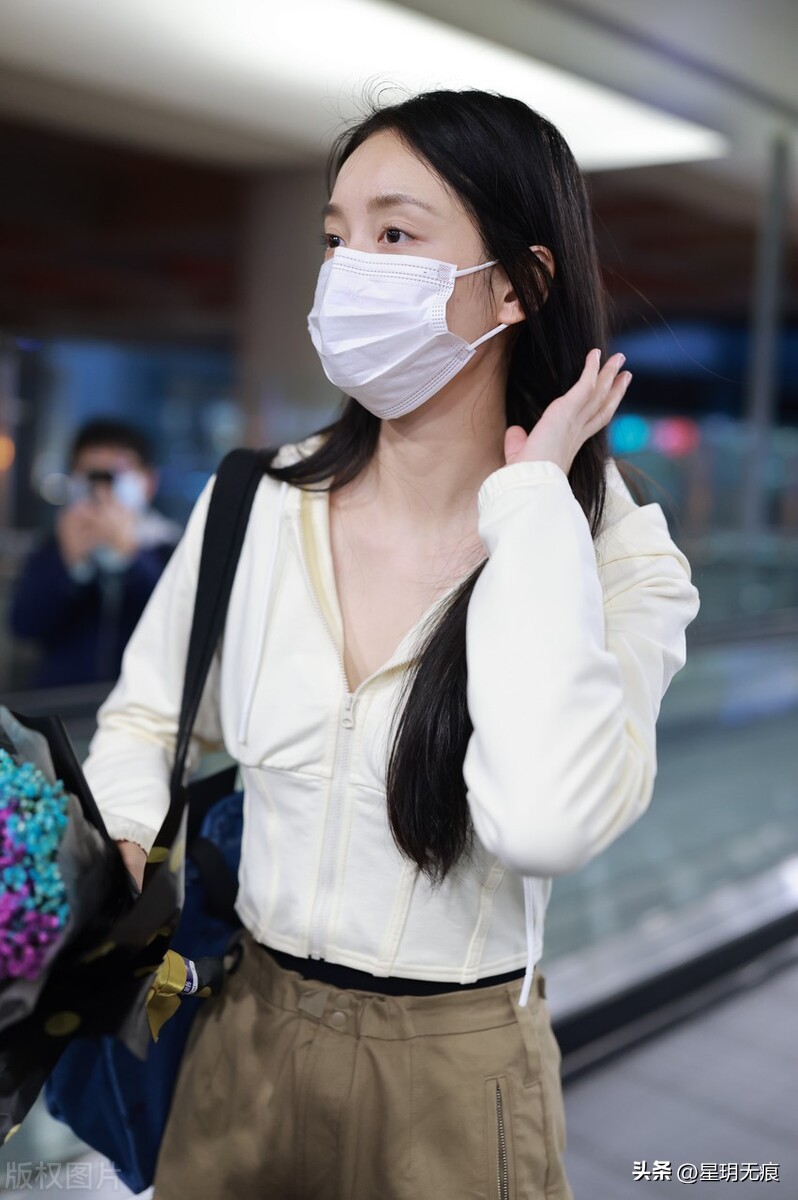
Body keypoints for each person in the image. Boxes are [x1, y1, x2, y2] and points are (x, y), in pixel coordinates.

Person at [83, 89, 701, 1199]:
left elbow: (546, 821)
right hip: (239, 1030)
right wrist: (125, 837)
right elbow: (143, 717)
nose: (348, 271)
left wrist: (532, 507)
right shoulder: (256, 502)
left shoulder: (614, 555)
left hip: (456, 1077)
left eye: (396, 234)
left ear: (518, 285)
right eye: (337, 237)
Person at [9, 418, 181, 688]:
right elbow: (24, 625)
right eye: (91, 476)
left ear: (149, 482)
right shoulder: (54, 545)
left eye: (113, 476)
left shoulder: (170, 548)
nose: (101, 490)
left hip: (144, 702)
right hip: (61, 703)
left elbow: (179, 626)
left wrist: (130, 558)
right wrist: (69, 565)